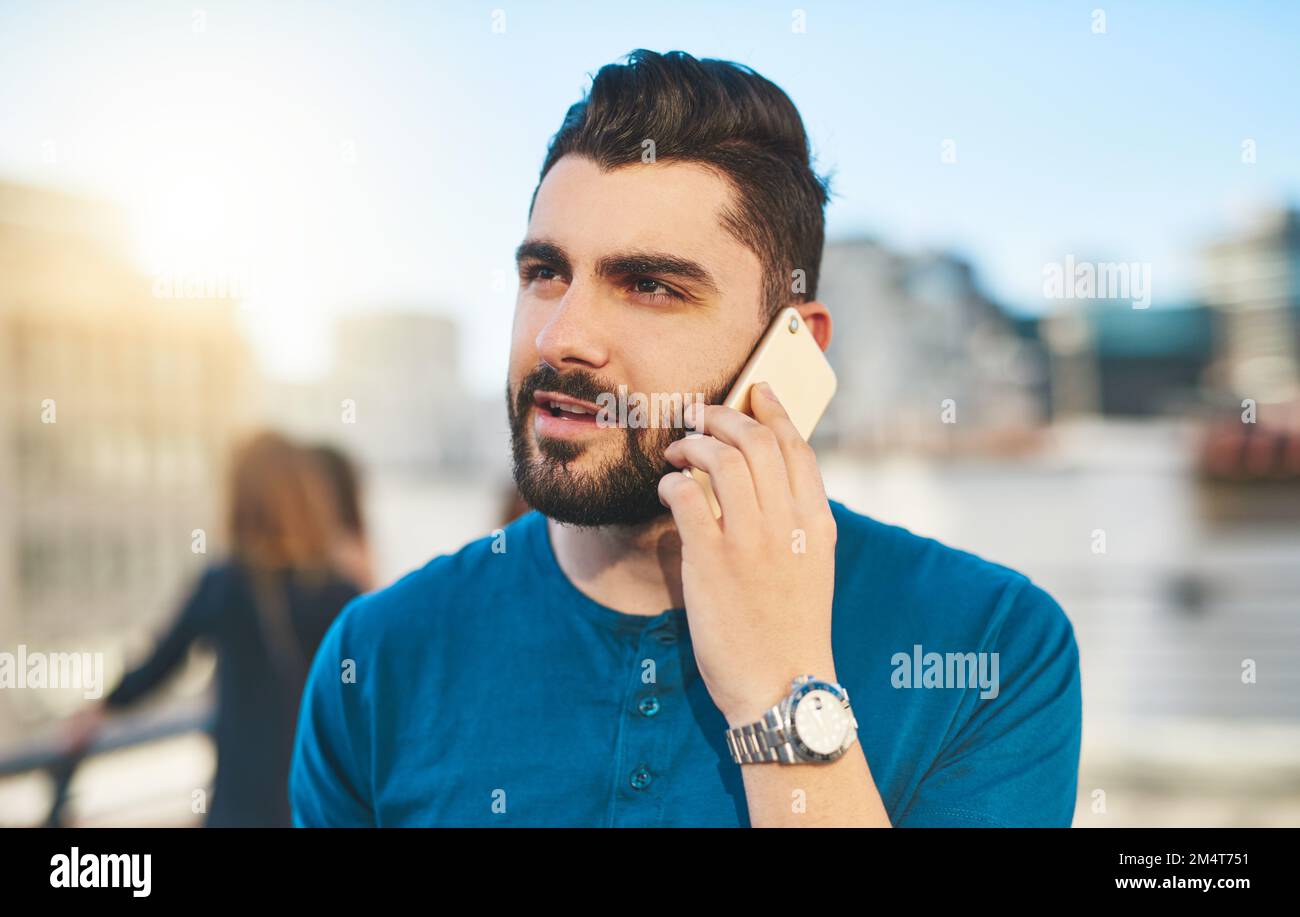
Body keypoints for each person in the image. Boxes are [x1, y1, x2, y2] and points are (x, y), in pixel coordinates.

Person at [290, 50, 1082, 828]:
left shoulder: (991, 649)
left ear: (793, 350)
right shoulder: (377, 660)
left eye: (650, 286)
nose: (563, 336)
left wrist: (783, 697)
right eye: (545, 274)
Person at [64, 432, 364, 827]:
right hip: (316, 805)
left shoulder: (223, 584)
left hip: (239, 805)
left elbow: (160, 663)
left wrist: (99, 707)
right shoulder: (340, 592)